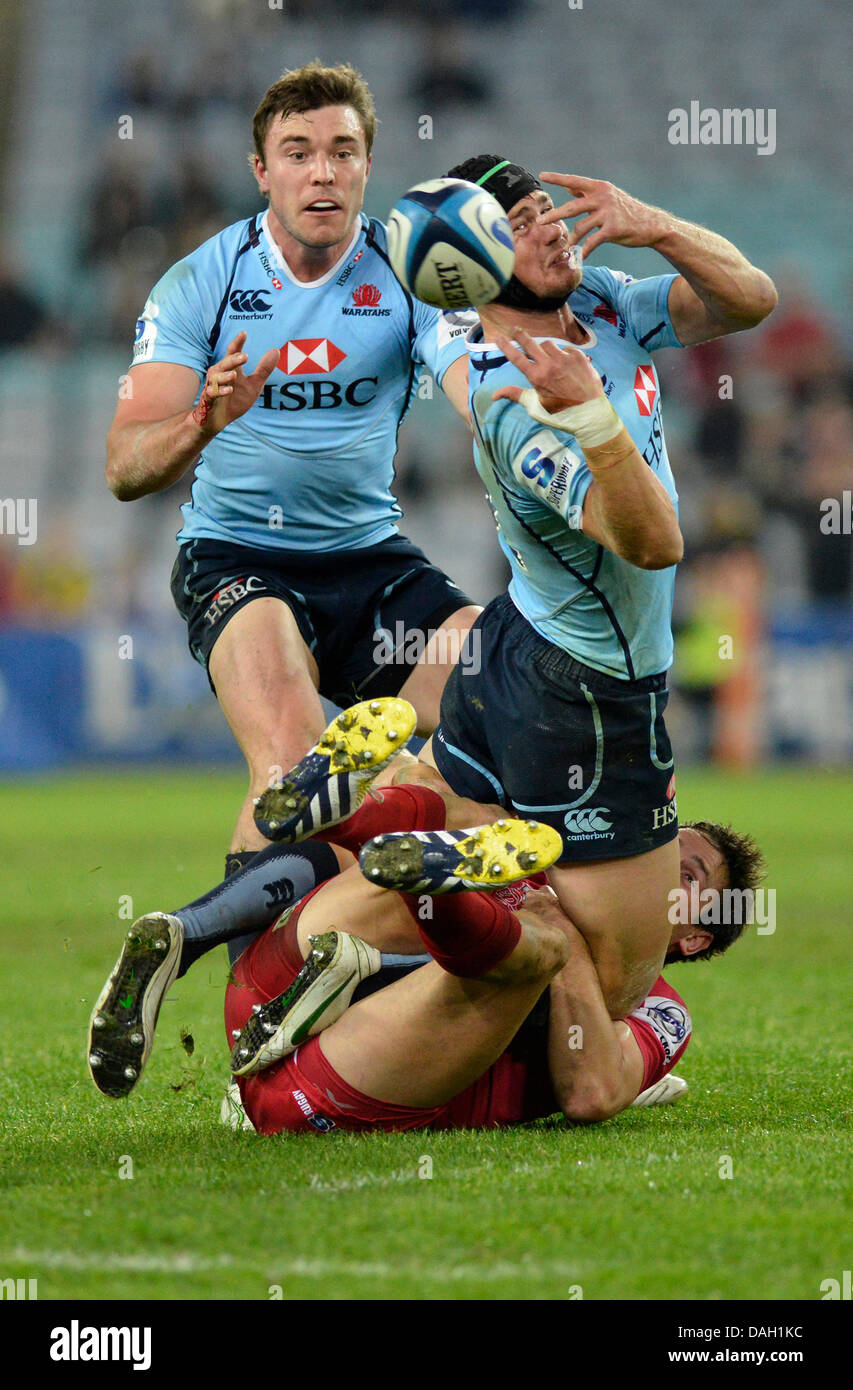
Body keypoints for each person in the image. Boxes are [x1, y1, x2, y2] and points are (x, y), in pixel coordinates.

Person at [395, 156, 778, 1018]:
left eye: (546, 209)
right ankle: (455, 1039)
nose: (551, 224)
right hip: (585, 682)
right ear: (478, 260)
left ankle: (318, 919)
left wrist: (661, 227)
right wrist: (594, 418)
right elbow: (650, 542)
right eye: (521, 222)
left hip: (521, 631)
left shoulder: (599, 299)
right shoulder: (510, 395)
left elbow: (749, 299)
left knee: (437, 831)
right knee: (611, 989)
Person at [104, 62, 479, 892]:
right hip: (237, 559)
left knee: (510, 686)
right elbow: (124, 466)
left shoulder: (414, 271)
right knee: (292, 757)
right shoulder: (203, 282)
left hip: (370, 560)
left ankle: (401, 826)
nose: (322, 171)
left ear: (367, 167)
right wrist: (203, 417)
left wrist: (501, 410)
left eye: (342, 151)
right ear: (261, 171)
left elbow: (468, 388)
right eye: (298, 151)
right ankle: (259, 992)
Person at [87, 699, 764, 1130]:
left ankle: (202, 925)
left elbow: (592, 1090)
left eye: (682, 873)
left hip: (321, 1067)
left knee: (529, 941)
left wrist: (566, 940)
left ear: (694, 934)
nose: (643, 868)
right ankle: (352, 820)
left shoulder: (659, 1006)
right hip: (290, 1020)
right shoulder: (529, 863)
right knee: (474, 845)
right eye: (661, 848)